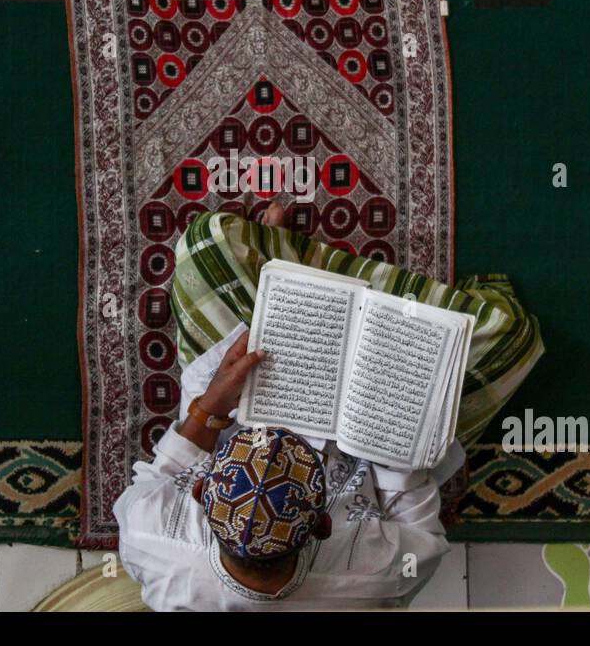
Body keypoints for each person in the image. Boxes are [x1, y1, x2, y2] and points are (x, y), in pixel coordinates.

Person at [114, 202, 543, 610]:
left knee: (207, 241)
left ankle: (290, 282)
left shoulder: (148, 538)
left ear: (200, 489)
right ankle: (299, 277)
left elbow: (164, 470)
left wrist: (211, 405)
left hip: (247, 397)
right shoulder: (375, 579)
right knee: (512, 338)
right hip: (373, 450)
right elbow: (419, 529)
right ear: (323, 525)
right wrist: (390, 426)